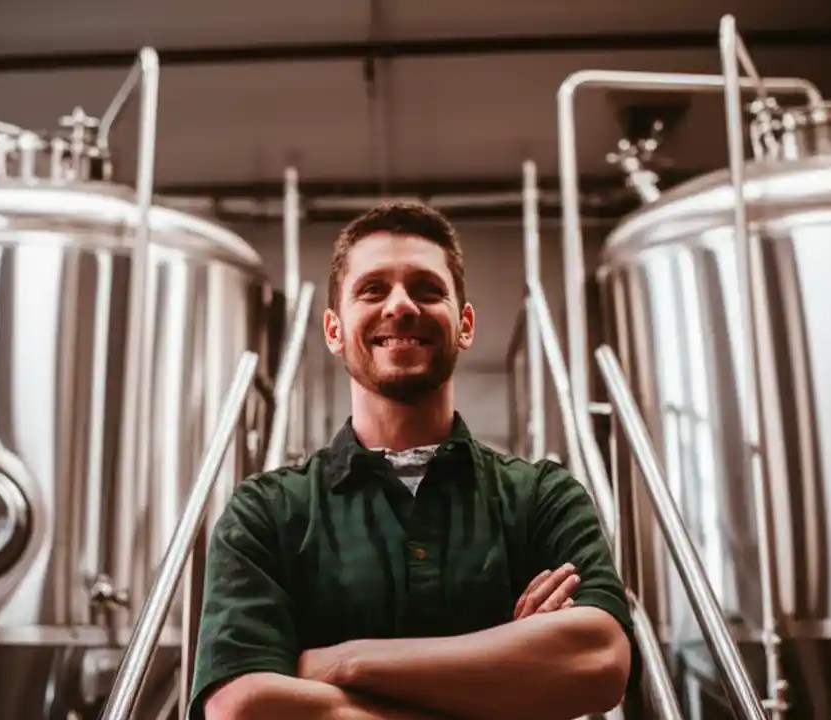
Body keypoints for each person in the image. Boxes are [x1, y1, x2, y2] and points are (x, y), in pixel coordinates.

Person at [191, 201, 633, 719]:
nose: (400, 306)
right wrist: (509, 676)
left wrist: (345, 663)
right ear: (333, 330)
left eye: (427, 289)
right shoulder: (267, 511)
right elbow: (242, 707)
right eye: (373, 289)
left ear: (464, 325)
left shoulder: (541, 497)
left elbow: (600, 660)